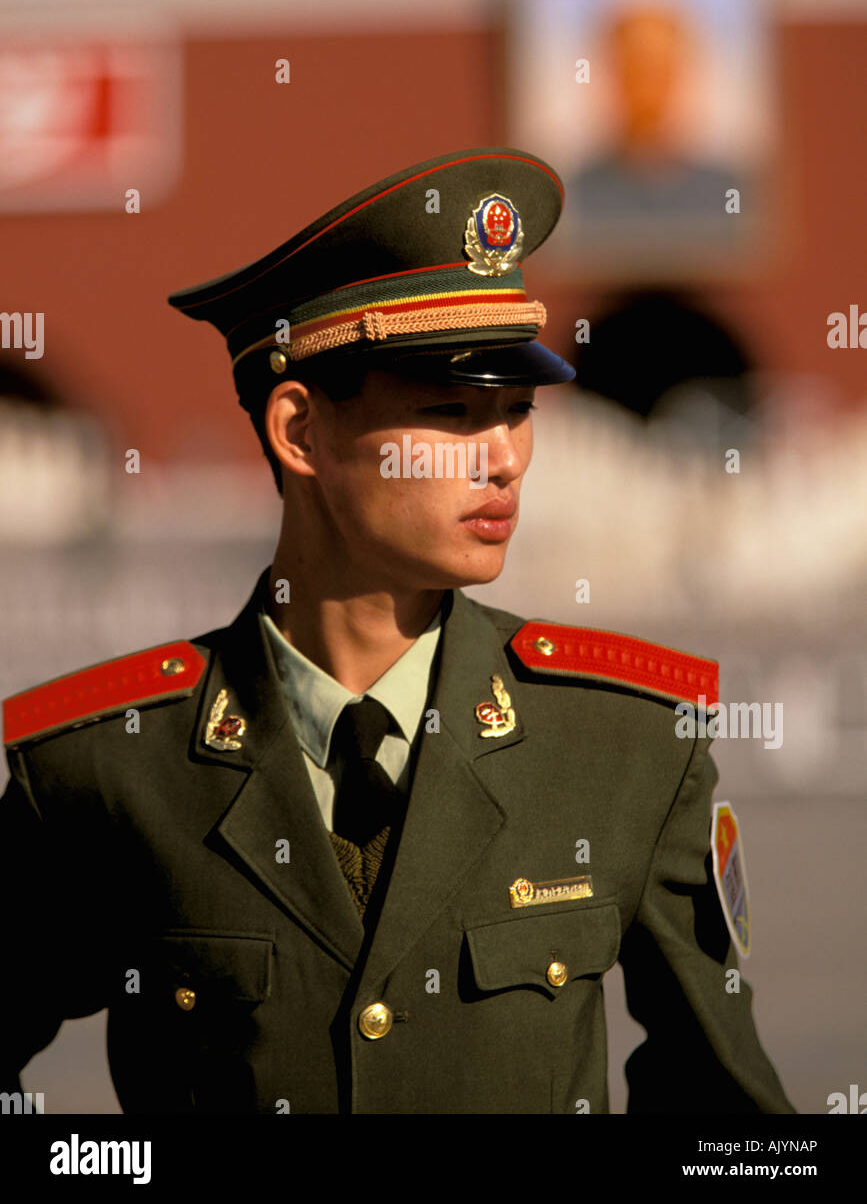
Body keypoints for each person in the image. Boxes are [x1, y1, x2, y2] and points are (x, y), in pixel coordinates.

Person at [0, 146, 794, 1114]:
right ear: (300, 432)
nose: (504, 461)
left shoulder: (624, 745)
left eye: (517, 412)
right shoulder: (108, 764)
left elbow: (736, 1118)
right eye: (451, 412)